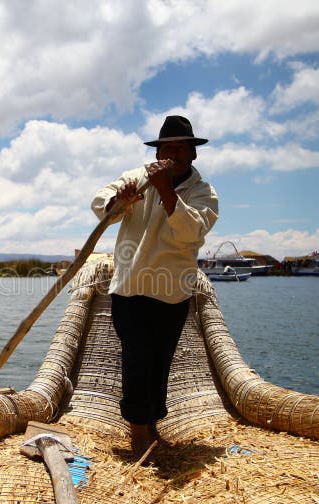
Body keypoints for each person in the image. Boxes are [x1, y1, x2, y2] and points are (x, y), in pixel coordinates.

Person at [91, 115, 219, 457]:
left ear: (193, 154)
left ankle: (153, 424)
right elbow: (102, 204)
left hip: (173, 291)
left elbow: (191, 232)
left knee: (161, 360)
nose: (173, 153)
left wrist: (164, 188)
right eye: (167, 147)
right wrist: (120, 198)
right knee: (137, 358)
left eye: (180, 147)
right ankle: (138, 432)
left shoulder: (203, 193)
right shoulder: (138, 178)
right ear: (158, 151)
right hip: (131, 288)